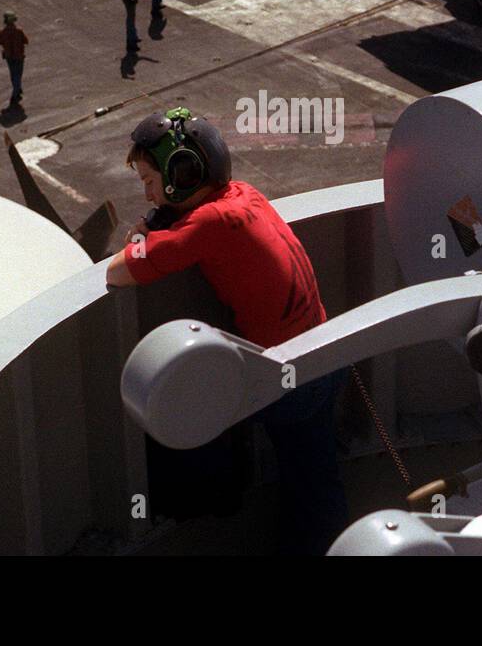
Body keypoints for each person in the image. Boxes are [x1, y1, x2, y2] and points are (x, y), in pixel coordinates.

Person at [106, 109, 349, 555]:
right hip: (323, 354)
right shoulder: (244, 195)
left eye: (149, 180)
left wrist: (142, 236)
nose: (146, 192)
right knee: (314, 476)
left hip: (293, 380)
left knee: (190, 421)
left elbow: (121, 271)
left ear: (183, 173)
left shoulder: (208, 224)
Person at [0, 11, 27, 106]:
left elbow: (0, 42)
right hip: (19, 56)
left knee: (13, 73)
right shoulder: (19, 31)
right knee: (18, 73)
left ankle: (18, 88)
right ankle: (16, 92)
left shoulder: (3, 32)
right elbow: (26, 41)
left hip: (9, 56)